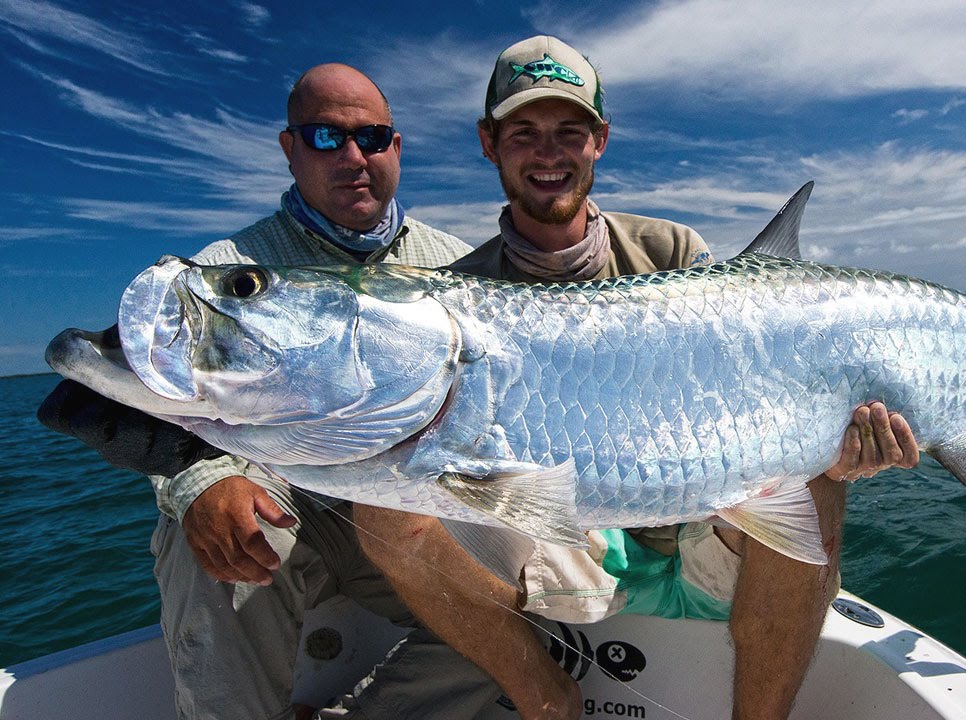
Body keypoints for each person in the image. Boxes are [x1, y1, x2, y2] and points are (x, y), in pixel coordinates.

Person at [353, 36, 921, 720]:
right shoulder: (457, 300)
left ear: (599, 140)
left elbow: (761, 398)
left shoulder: (673, 254)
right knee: (383, 509)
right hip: (566, 552)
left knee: (812, 475)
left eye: (569, 131)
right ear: (489, 142)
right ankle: (544, 696)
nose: (548, 153)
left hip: (703, 533)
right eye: (524, 133)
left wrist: (843, 447)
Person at [40, 63, 500, 720]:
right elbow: (172, 390)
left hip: (413, 518)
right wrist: (200, 484)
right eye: (323, 138)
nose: (352, 157)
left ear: (395, 148)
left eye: (371, 137)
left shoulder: (463, 267)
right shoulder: (228, 271)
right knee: (211, 540)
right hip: (290, 511)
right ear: (289, 149)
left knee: (518, 622)